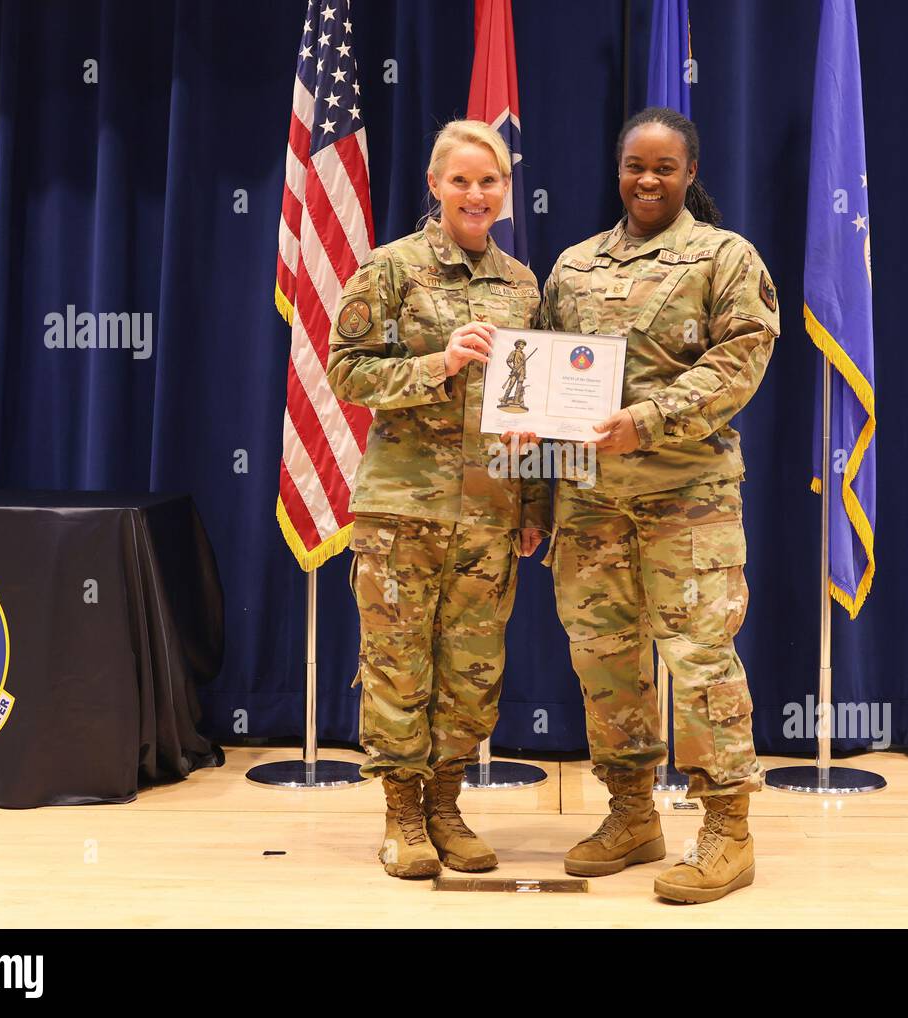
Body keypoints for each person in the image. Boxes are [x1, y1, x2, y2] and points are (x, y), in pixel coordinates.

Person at [539, 107, 780, 903]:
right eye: (635, 165)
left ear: (690, 173)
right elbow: (541, 384)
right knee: (603, 660)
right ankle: (632, 813)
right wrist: (536, 488)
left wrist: (646, 420)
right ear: (618, 171)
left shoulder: (724, 257)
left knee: (701, 662)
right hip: (590, 506)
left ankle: (727, 831)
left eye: (664, 167)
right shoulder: (574, 266)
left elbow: (740, 360)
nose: (648, 179)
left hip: (688, 500)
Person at [325, 120, 547, 879]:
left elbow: (535, 404)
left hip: (490, 514)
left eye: (489, 181)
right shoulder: (390, 269)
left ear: (506, 190)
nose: (475, 194)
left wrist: (534, 504)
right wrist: (436, 364)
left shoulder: (523, 284)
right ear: (435, 184)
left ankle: (446, 806)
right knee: (397, 664)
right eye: (461, 180)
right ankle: (402, 816)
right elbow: (345, 371)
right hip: (404, 509)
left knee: (472, 673)